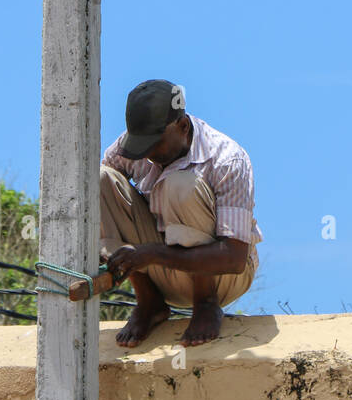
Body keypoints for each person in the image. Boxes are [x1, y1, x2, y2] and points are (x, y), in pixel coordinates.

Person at [100, 78, 262, 347]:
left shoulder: (227, 159)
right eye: (142, 146)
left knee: (179, 183)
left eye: (155, 144)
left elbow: (234, 258)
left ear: (183, 126)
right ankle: (149, 302)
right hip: (162, 272)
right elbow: (105, 198)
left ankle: (206, 303)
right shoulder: (134, 147)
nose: (148, 154)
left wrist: (151, 254)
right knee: (99, 179)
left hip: (224, 277)